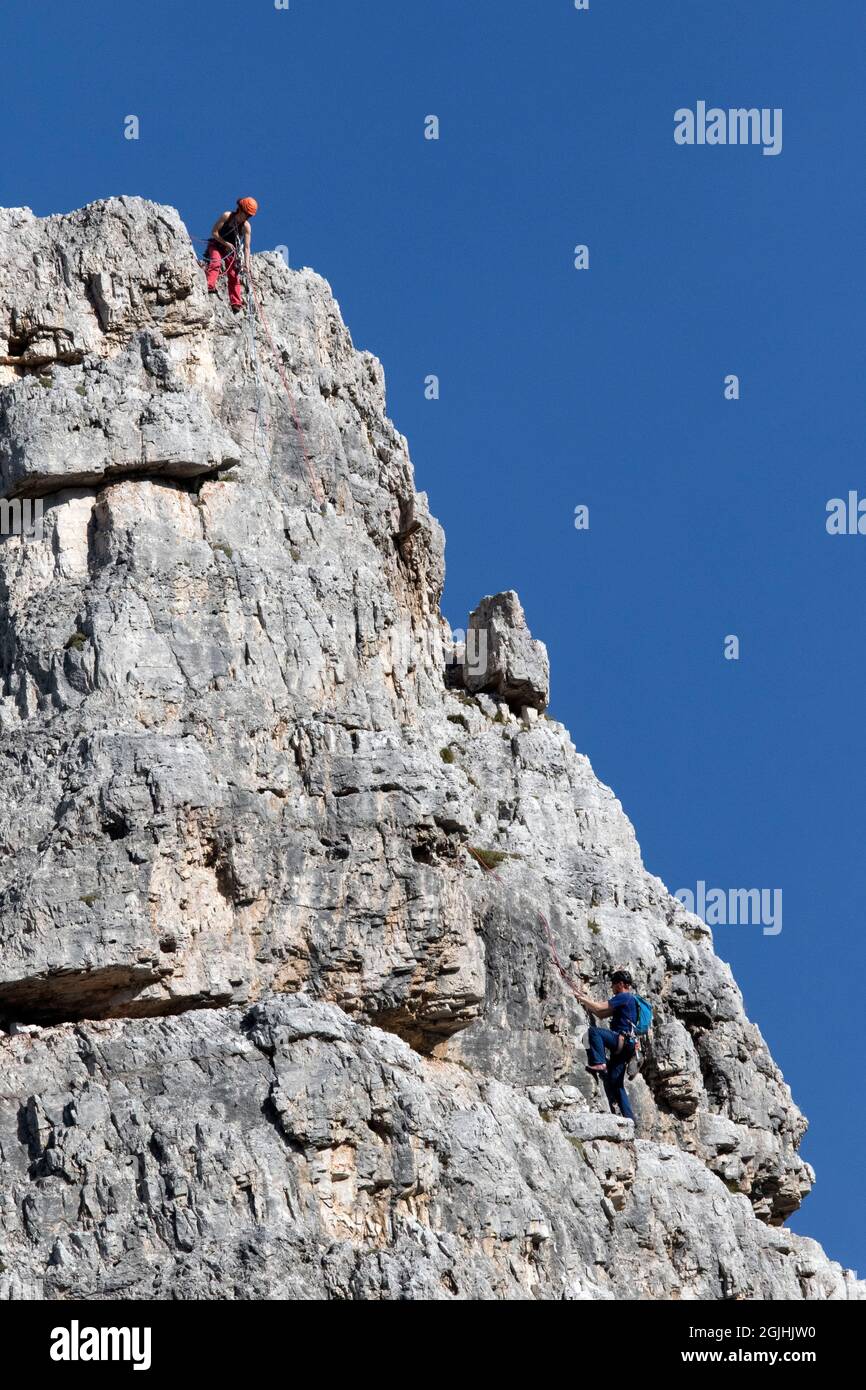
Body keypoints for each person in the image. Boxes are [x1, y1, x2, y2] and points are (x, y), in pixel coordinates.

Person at [574, 969, 638, 1122]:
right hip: (628, 1046)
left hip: (621, 1040)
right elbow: (601, 1014)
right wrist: (587, 1002)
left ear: (621, 984)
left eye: (613, 984)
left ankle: (600, 1062)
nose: (612, 988)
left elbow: (599, 1008)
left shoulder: (623, 997)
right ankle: (630, 1120)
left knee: (594, 1032)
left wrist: (582, 999)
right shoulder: (631, 1001)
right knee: (617, 1084)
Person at [205, 197, 258, 312]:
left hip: (230, 251)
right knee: (216, 262)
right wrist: (226, 244)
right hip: (217, 244)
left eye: (250, 216)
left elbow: (247, 248)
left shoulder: (246, 226)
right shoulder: (227, 216)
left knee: (234, 274)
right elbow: (214, 232)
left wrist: (247, 265)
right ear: (240, 209)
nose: (248, 217)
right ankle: (210, 286)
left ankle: (236, 303)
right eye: (247, 214)